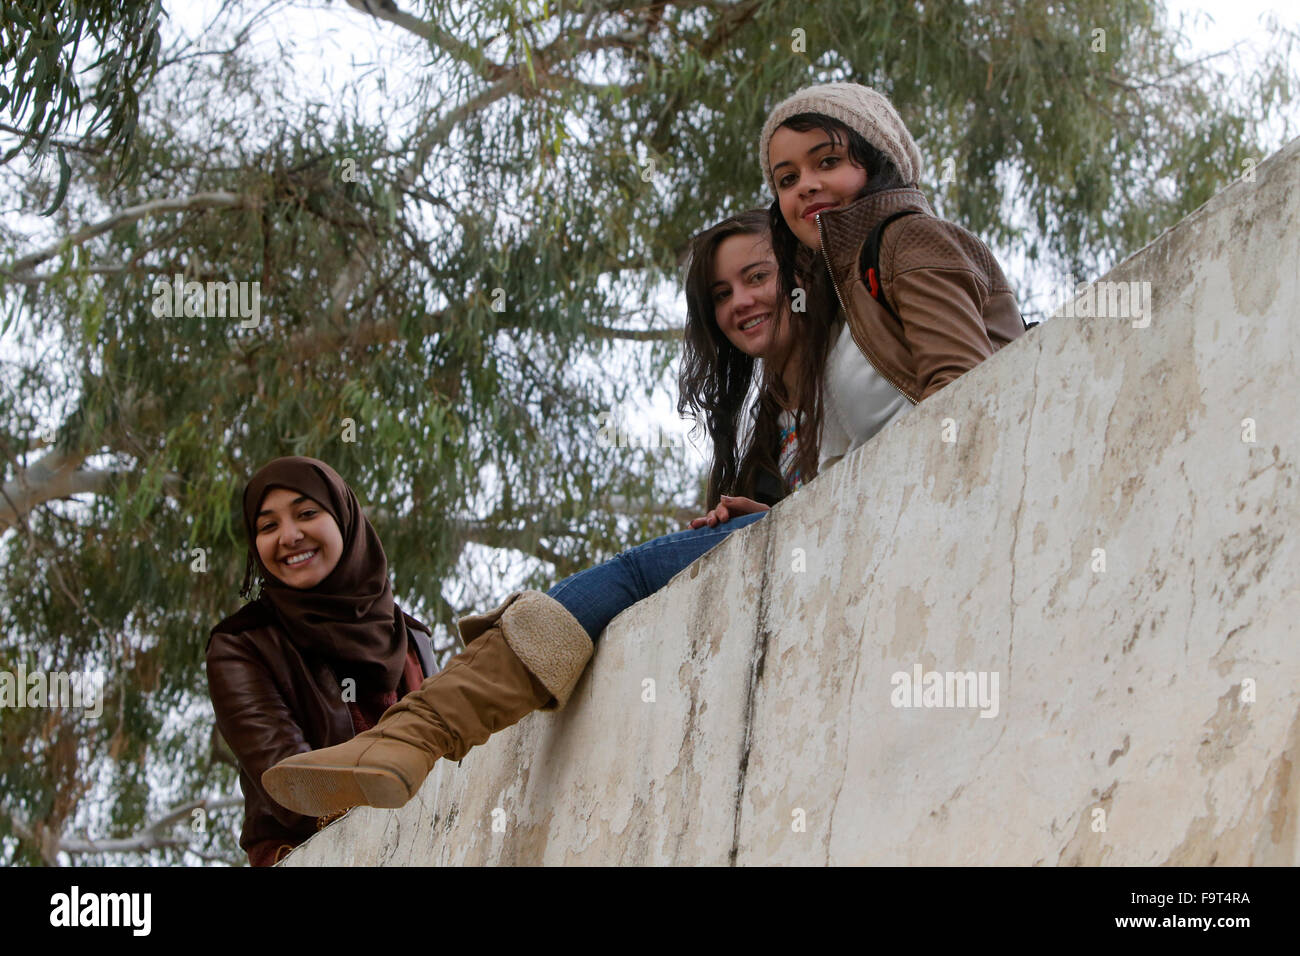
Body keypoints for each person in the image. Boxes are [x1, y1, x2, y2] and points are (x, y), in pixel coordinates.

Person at [205, 456, 441, 866]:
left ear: (344, 518)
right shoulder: (242, 645)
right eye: (268, 526)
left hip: (431, 846)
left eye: (307, 514)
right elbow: (295, 788)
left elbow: (446, 750)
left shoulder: (410, 637)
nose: (289, 536)